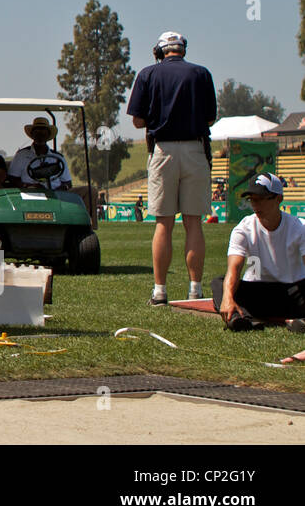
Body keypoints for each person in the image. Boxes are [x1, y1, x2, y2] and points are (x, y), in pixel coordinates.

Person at [126, 31, 217, 306]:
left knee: (163, 224)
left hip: (163, 150)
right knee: (194, 223)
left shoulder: (147, 74)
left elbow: (138, 121)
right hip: (195, 149)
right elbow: (210, 118)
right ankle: (195, 289)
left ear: (160, 50)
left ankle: (160, 290)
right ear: (182, 49)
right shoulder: (201, 73)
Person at [212, 175, 305, 332]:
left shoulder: (299, 227)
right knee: (220, 283)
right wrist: (228, 298)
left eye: (261, 199)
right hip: (258, 292)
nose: (255, 205)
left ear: (278, 199)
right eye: (252, 199)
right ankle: (239, 319)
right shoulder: (243, 229)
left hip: (292, 292)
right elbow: (234, 268)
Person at [6, 117, 70, 190]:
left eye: (43, 132)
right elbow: (12, 179)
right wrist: (28, 186)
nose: (40, 136)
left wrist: (60, 189)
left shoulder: (57, 157)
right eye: (37, 132)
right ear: (32, 135)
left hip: (56, 194)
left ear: (48, 135)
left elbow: (67, 182)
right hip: (31, 194)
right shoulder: (21, 155)